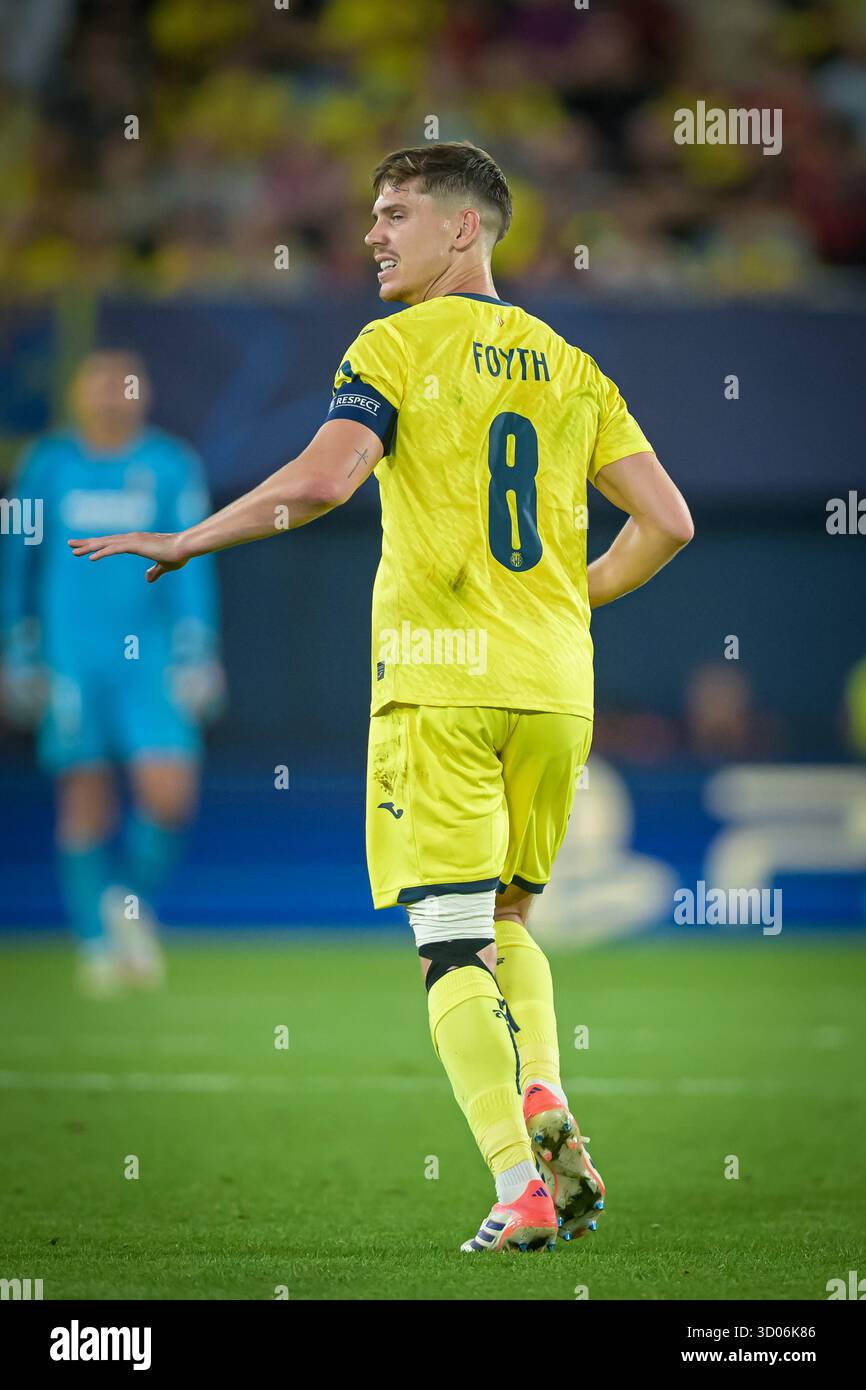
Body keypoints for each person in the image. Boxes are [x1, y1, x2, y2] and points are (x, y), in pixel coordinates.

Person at [67, 144, 693, 1249]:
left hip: (440, 689)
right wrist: (565, 598)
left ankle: (518, 1183)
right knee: (507, 918)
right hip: (553, 689)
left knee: (448, 944)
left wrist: (189, 537)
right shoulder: (571, 363)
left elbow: (322, 477)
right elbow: (667, 522)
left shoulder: (393, 344)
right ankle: (542, 1088)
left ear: (465, 231)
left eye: (396, 213)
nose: (371, 234)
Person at [1, 350, 223, 996]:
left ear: (142, 393)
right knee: (84, 798)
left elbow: (195, 556)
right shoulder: (46, 466)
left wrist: (197, 647)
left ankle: (124, 903)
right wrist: (17, 647)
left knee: (169, 795)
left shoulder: (169, 465)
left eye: (124, 385)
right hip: (71, 656)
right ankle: (97, 948)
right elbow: (20, 559)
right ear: (77, 394)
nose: (111, 397)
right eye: (98, 384)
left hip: (149, 658)